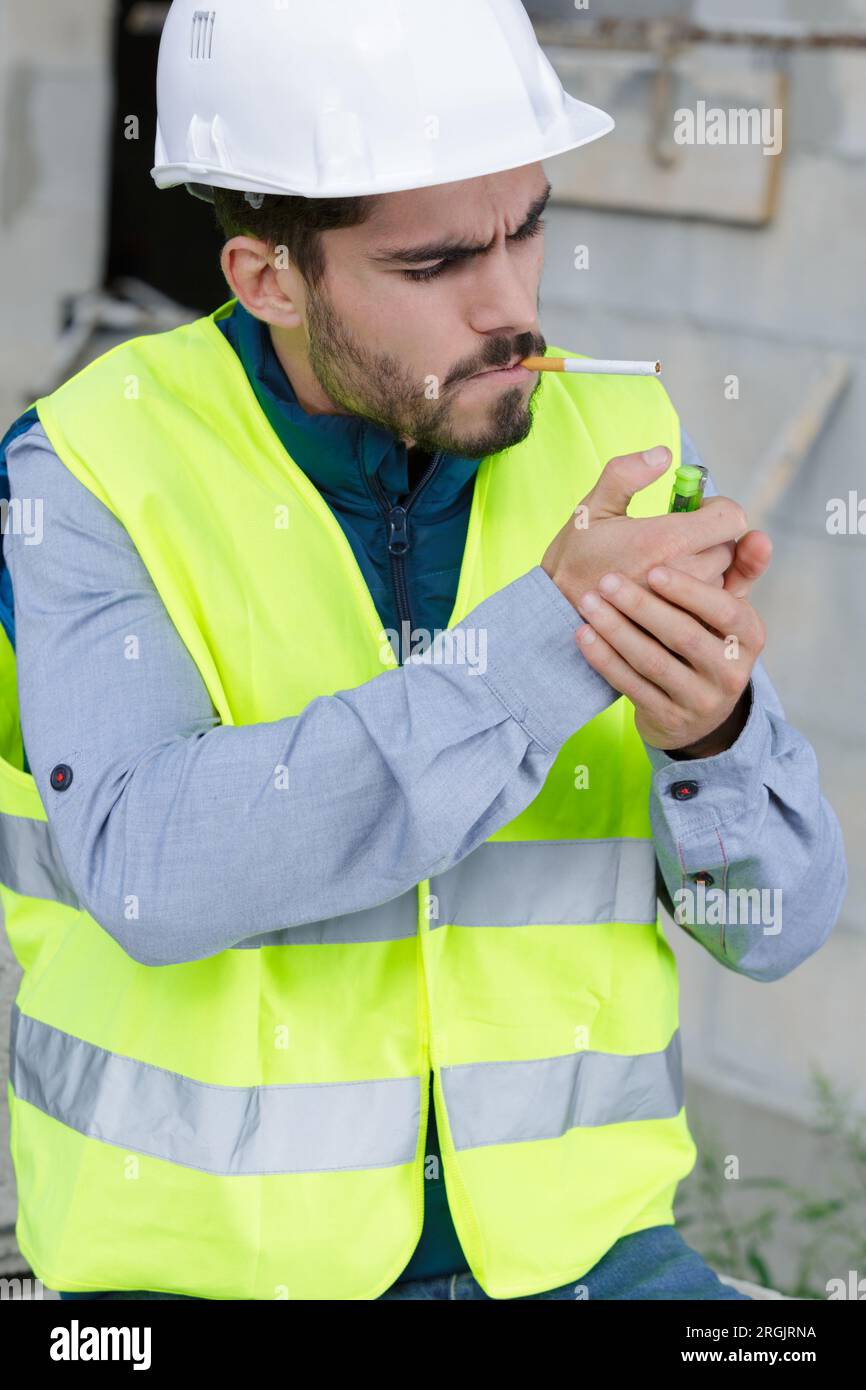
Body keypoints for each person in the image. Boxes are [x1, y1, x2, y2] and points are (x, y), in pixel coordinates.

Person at [0, 0, 846, 1301]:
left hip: (589, 1258)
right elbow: (147, 872)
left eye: (527, 227)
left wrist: (713, 739)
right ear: (267, 277)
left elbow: (777, 927)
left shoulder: (615, 438)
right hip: (208, 1276)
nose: (511, 305)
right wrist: (540, 646)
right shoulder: (96, 467)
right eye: (437, 263)